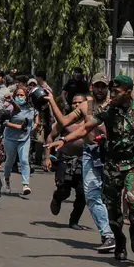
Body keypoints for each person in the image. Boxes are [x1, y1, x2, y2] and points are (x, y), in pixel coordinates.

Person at [50, 75, 134, 261]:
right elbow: (86, 128)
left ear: (128, 92)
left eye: (116, 92)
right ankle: (119, 241)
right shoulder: (108, 110)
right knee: (113, 211)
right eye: (112, 91)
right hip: (112, 166)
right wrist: (63, 140)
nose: (112, 95)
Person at [49, 74, 113, 251]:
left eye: (104, 86)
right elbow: (63, 122)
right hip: (91, 153)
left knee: (111, 196)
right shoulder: (86, 106)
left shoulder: (114, 105)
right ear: (92, 87)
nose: (100, 89)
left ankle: (120, 232)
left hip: (111, 155)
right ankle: (107, 234)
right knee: (91, 194)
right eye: (97, 86)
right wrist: (51, 101)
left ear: (108, 88)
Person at [47, 94, 88, 228]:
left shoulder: (91, 122)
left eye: (80, 102)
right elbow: (50, 137)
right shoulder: (65, 121)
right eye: (74, 102)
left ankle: (74, 220)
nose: (77, 105)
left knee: (82, 193)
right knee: (64, 190)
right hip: (65, 160)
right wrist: (47, 157)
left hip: (84, 161)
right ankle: (57, 198)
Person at [0, 84, 36, 196]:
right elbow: (5, 123)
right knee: (10, 161)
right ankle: (7, 181)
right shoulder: (9, 107)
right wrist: (19, 127)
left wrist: (31, 129)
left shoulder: (31, 109)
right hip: (10, 138)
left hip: (24, 139)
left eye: (22, 95)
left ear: (26, 96)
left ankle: (25, 184)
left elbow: (33, 122)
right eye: (18, 95)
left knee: (24, 160)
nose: (20, 97)